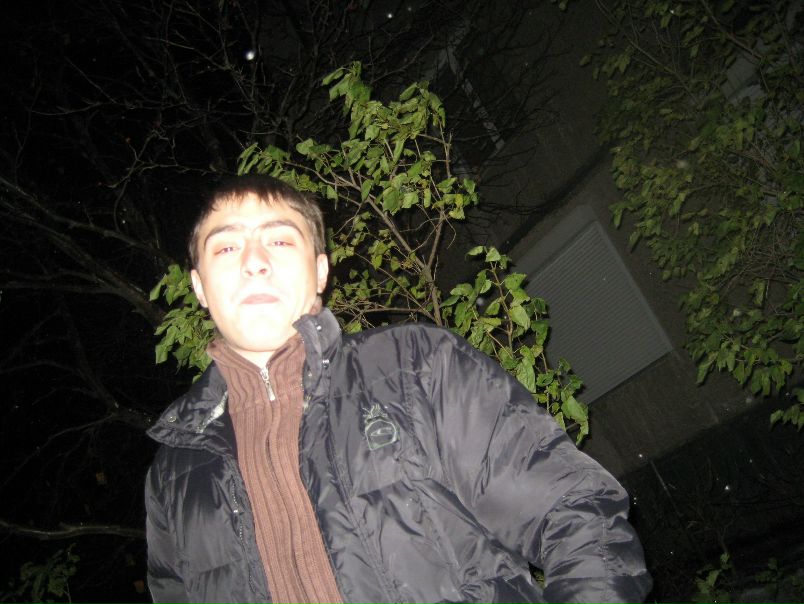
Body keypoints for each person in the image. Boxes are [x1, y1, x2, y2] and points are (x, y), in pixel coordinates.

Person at [145, 174, 652, 604]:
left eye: (279, 241)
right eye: (226, 246)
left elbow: (576, 515)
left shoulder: (416, 366)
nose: (253, 261)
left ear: (320, 271)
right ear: (199, 286)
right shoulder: (175, 470)